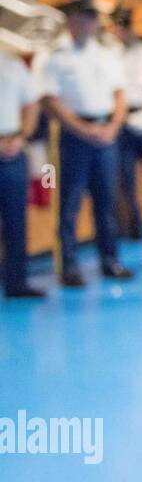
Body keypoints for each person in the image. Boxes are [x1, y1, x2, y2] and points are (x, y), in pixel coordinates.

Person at [38, 0, 134, 287]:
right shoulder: (54, 55)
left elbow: (120, 94)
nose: (90, 23)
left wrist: (114, 125)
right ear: (72, 20)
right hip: (74, 136)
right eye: (85, 17)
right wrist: (81, 128)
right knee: (69, 203)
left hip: (106, 132)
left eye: (94, 18)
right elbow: (49, 100)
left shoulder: (107, 53)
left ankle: (110, 260)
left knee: (106, 201)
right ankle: (69, 265)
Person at [108, 5, 142, 238]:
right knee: (125, 180)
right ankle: (133, 227)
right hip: (122, 121)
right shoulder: (109, 54)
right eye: (119, 26)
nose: (123, 31)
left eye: (126, 25)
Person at [0, 45, 42, 298]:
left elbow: (31, 103)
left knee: (16, 219)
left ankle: (17, 282)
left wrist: (22, 135)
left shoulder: (13, 63)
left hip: (13, 148)